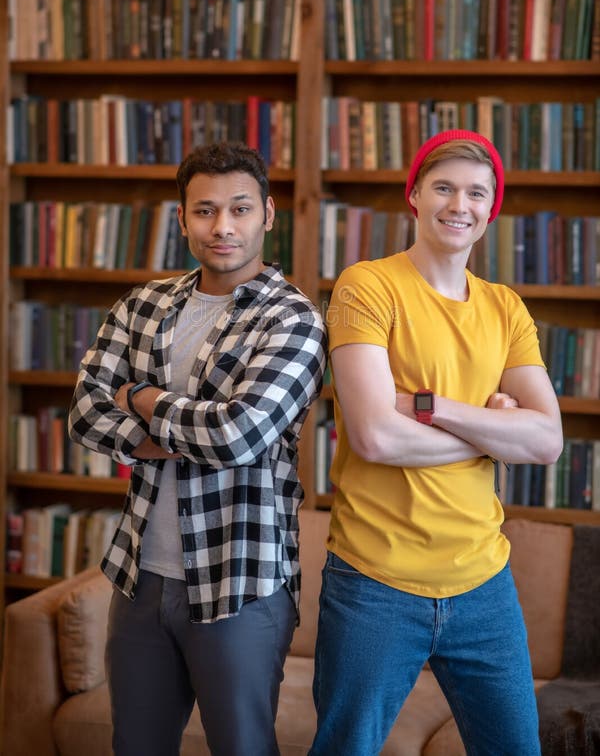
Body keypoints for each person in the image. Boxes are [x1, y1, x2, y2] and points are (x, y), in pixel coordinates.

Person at [68, 141, 327, 756]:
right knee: (136, 745)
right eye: (205, 211)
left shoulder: (295, 320)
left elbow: (239, 435)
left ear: (267, 213)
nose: (223, 227)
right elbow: (82, 414)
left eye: (239, 209)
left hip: (241, 579)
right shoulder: (143, 305)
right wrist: (180, 426)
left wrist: (141, 399)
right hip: (139, 578)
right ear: (181, 219)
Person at [310, 129, 563, 756]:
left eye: (477, 192)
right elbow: (371, 434)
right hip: (375, 580)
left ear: (491, 208)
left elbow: (548, 438)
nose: (460, 204)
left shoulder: (505, 308)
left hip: (484, 582)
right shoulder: (366, 286)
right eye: (444, 187)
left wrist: (431, 409)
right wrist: (492, 431)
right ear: (415, 196)